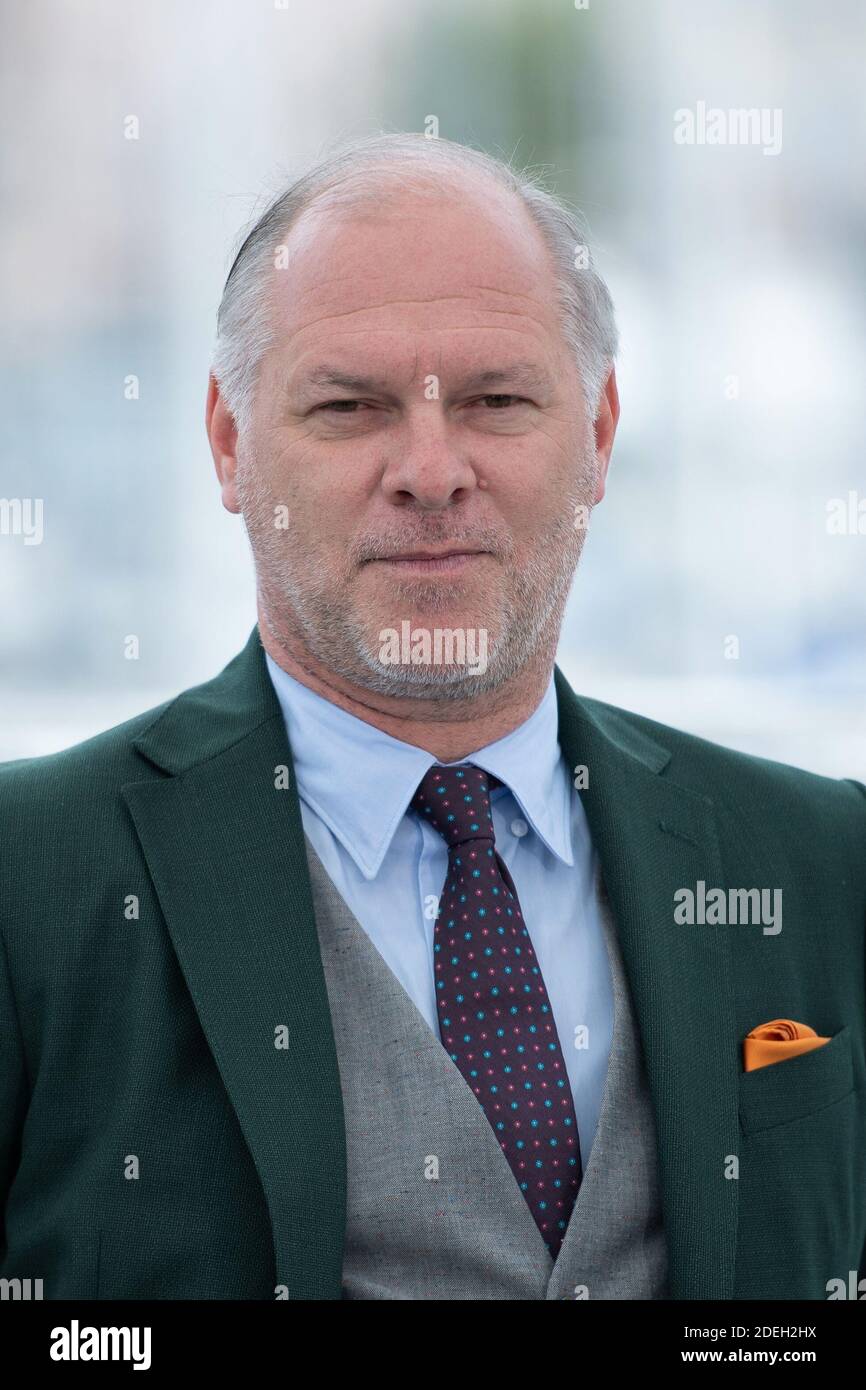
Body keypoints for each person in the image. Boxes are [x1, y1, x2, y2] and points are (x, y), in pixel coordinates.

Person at [1, 133, 863, 1302]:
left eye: (495, 400)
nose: (429, 469)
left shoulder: (821, 860)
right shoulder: (29, 881)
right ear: (228, 442)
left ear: (598, 434)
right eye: (348, 406)